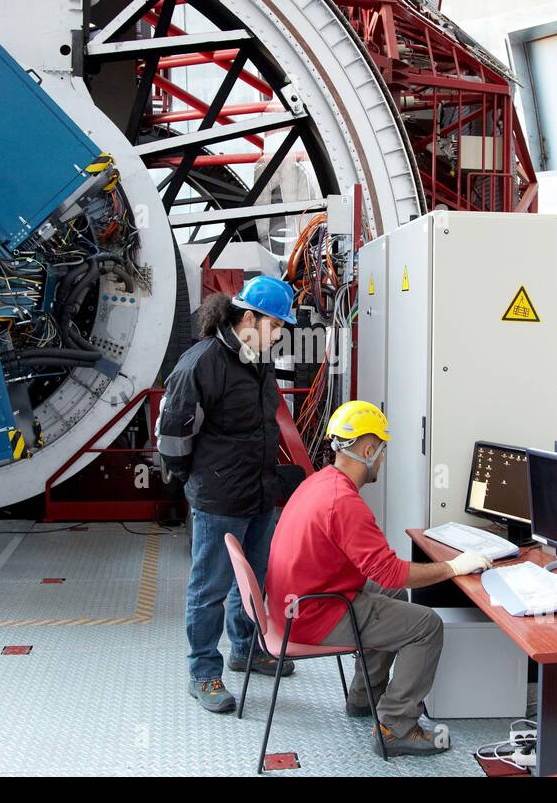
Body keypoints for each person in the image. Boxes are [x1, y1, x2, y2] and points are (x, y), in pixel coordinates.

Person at [265, 400, 492, 756]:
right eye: (382, 450)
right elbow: (392, 571)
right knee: (426, 625)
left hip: (293, 604)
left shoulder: (320, 482)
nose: (383, 459)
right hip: (313, 613)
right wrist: (454, 567)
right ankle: (394, 727)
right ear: (369, 451)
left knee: (393, 596)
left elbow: (381, 574)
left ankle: (363, 696)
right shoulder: (344, 503)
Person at [157, 275, 298, 714]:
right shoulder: (201, 363)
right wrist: (197, 481)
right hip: (218, 500)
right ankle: (203, 672)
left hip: (259, 492)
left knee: (252, 580)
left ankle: (245, 648)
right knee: (210, 588)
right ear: (249, 318)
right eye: (276, 324)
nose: (279, 334)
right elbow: (172, 435)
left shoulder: (257, 360)